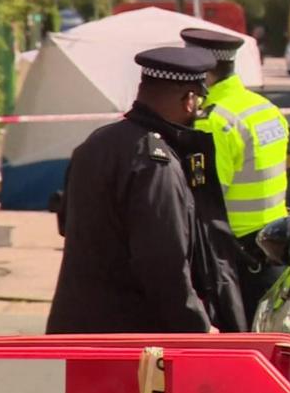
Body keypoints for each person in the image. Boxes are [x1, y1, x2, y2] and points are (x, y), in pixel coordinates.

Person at [47, 47, 247, 334]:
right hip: (133, 338)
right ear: (189, 100)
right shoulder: (156, 164)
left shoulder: (98, 142)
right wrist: (198, 328)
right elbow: (163, 263)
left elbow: (68, 224)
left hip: (83, 332)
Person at [181, 28, 290, 325]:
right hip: (274, 251)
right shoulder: (264, 108)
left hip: (236, 261)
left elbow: (203, 199)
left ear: (203, 70)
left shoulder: (214, 121)